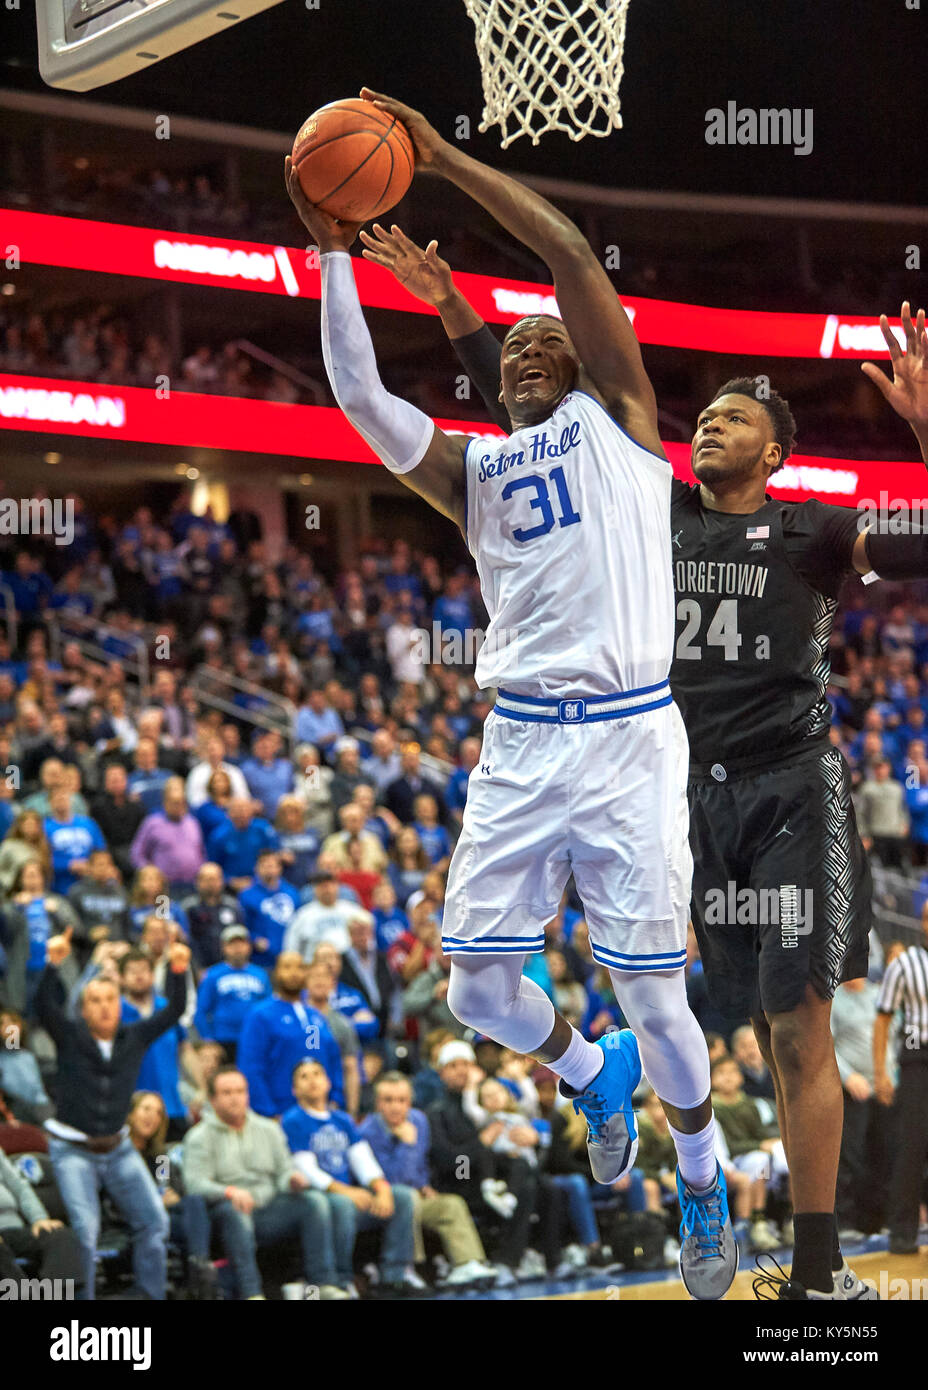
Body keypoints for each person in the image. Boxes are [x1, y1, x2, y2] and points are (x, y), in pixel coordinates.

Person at [287, 91, 731, 1301]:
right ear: (496, 382)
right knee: (473, 989)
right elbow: (363, 401)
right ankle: (588, 1074)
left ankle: (699, 1164)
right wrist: (334, 261)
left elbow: (570, 255)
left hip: (632, 733)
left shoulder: (627, 426)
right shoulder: (473, 468)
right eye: (512, 345)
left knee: (655, 993)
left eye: (549, 341)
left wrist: (439, 160)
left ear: (581, 367)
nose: (533, 344)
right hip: (523, 742)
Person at [34, 924, 190, 1300]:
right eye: (95, 1000)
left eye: (111, 999)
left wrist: (178, 971)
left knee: (154, 1221)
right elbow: (43, 1007)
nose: (105, 1006)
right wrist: (52, 966)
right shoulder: (70, 1036)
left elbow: (174, 1011)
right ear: (84, 1010)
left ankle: (150, 1295)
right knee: (86, 1233)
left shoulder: (134, 1037)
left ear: (120, 1004)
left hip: (119, 1149)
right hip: (73, 1151)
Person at [182, 1066, 348, 1300]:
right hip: (226, 1211)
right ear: (213, 1099)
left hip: (268, 1206)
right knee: (236, 1214)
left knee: (315, 1202)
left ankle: (323, 1284)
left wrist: (291, 1180)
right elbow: (194, 1184)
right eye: (227, 1092)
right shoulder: (199, 1137)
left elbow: (282, 1172)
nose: (235, 1098)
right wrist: (229, 1191)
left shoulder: (268, 1129)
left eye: (240, 1091)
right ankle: (252, 1293)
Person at [281, 1059, 420, 1296]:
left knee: (403, 1196)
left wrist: (382, 1188)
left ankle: (393, 1275)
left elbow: (362, 1159)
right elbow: (306, 1170)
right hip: (319, 1199)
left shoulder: (342, 1119)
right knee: (343, 1204)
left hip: (350, 1196)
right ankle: (340, 1280)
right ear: (295, 1089)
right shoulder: (293, 1120)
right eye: (304, 1076)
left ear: (327, 1082)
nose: (313, 1080)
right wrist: (349, 1192)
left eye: (317, 1073)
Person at [360, 1069, 497, 1286]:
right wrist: (406, 1144)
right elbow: (388, 1178)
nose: (396, 1106)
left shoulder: (419, 1120)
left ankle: (467, 1264)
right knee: (407, 1198)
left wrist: (424, 1184)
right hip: (385, 1200)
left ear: (410, 1102)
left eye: (402, 1100)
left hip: (417, 1192)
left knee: (451, 1204)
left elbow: (423, 1162)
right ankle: (408, 1268)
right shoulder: (367, 1131)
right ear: (377, 1103)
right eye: (388, 1100)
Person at [873, 908, 928, 1254]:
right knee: (911, 1145)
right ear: (923, 923)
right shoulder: (904, 964)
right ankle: (903, 1232)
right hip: (916, 1058)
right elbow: (882, 1019)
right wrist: (881, 1072)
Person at [127, 1090, 218, 1299]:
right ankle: (200, 1272)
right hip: (136, 1219)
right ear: (130, 1114)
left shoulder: (159, 1156)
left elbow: (165, 1185)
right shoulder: (119, 1155)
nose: (152, 1116)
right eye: (146, 1109)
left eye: (158, 1112)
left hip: (166, 1216)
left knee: (193, 1202)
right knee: (194, 1224)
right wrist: (154, 1202)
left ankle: (198, 1268)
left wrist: (172, 1197)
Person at [237, 951, 344, 1118]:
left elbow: (322, 1056)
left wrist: (335, 1099)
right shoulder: (260, 1015)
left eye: (299, 967)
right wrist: (268, 1112)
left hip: (318, 1111)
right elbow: (251, 1067)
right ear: (276, 972)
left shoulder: (313, 1017)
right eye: (287, 967)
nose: (294, 973)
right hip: (279, 1111)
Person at [831, 976, 890, 1241]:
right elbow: (825, 1044)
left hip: (884, 1086)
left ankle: (881, 1220)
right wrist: (848, 1076)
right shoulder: (833, 1000)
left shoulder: (878, 994)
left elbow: (892, 1035)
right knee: (851, 1156)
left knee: (886, 1153)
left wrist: (890, 1074)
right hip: (852, 1089)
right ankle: (847, 1223)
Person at [0, 1142, 84, 1294]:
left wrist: (39, 1218)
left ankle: (56, 1295)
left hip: (13, 1228)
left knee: (60, 1236)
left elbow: (20, 1188)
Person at [193, 925, 271, 1062]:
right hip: (222, 1039)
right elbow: (201, 1010)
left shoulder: (260, 974)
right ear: (224, 947)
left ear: (249, 946)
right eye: (232, 944)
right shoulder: (213, 975)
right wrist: (208, 1039)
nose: (237, 949)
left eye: (241, 944)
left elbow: (269, 1007)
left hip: (253, 1037)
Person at [237, 850, 300, 970]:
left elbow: (299, 923)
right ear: (257, 868)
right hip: (261, 959)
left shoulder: (292, 893)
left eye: (272, 865)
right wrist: (255, 939)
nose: (269, 869)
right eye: (264, 865)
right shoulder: (247, 895)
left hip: (289, 957)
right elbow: (242, 926)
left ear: (279, 868)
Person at [283, 868, 359, 958]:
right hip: (315, 966)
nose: (327, 889)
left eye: (330, 884)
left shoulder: (353, 911)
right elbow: (291, 948)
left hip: (348, 965)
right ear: (314, 889)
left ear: (337, 886)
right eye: (321, 885)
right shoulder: (302, 916)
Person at [180, 862, 242, 968]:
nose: (211, 884)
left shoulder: (232, 906)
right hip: (197, 965)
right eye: (207, 879)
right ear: (198, 882)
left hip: (228, 966)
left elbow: (240, 937)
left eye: (215, 879)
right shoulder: (188, 908)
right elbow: (185, 940)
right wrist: (196, 967)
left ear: (222, 881)